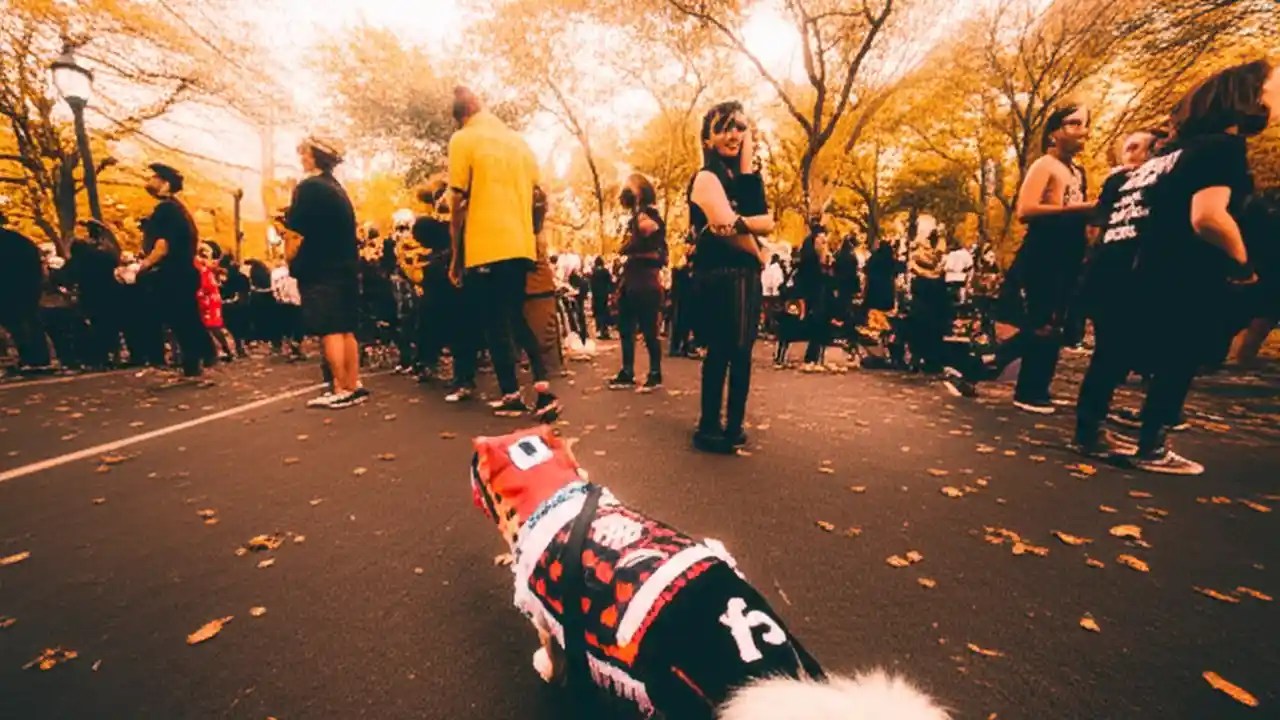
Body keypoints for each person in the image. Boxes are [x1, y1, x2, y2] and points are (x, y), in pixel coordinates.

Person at [1071, 60, 1278, 474]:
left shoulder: (1165, 157)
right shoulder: (1223, 149)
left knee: (1110, 355)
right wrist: (1242, 264)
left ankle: (1089, 432)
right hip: (1171, 273)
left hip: (1117, 269)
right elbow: (1208, 217)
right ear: (1248, 97)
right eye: (1272, 87)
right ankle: (1151, 447)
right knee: (1180, 354)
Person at [445, 86, 561, 421]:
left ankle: (511, 392)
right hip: (520, 243)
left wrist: (456, 256)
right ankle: (541, 384)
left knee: (495, 320)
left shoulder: (463, 140)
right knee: (514, 315)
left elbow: (457, 202)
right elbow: (539, 196)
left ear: (460, 117)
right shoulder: (518, 143)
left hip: (486, 244)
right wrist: (534, 235)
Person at [996, 105, 1096, 414]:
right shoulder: (1044, 165)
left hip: (1070, 253)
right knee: (1040, 323)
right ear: (1054, 132)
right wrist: (1079, 210)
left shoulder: (1078, 172)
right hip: (1043, 252)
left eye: (1085, 124)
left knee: (1057, 322)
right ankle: (1000, 372)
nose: (1083, 131)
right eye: (1073, 124)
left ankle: (1038, 386)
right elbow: (1026, 210)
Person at [687, 100, 773, 453]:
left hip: (745, 276)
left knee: (742, 353)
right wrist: (759, 248)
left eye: (739, 127)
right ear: (707, 139)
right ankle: (709, 426)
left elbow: (762, 222)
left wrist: (744, 225)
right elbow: (732, 233)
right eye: (723, 128)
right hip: (720, 274)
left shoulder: (745, 179)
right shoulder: (707, 177)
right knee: (722, 350)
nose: (733, 134)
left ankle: (734, 425)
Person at [280, 135, 365, 409]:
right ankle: (354, 383)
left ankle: (340, 387)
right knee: (346, 329)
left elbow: (296, 233)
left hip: (319, 268)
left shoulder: (308, 188)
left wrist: (288, 258)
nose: (301, 158)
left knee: (329, 328)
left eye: (305, 153)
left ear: (316, 156)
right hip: (346, 267)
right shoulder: (336, 188)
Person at [135, 163, 214, 381]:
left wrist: (142, 266)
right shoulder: (180, 210)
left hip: (171, 273)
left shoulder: (166, 210)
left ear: (165, 183)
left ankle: (163, 361)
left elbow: (162, 245)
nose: (149, 181)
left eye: (154, 177)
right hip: (183, 272)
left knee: (158, 315)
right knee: (183, 317)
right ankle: (197, 360)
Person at [608, 173, 668, 391]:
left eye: (629, 186)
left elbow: (649, 228)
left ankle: (655, 373)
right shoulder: (633, 218)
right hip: (631, 279)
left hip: (646, 281)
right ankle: (627, 371)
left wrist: (640, 213)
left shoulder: (649, 214)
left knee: (649, 329)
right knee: (626, 326)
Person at [589, 256, 614, 340]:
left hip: (596, 295)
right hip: (604, 295)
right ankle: (605, 331)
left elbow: (591, 285)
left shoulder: (594, 272)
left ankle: (599, 331)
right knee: (605, 312)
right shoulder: (605, 271)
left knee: (598, 313)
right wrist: (610, 292)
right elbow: (610, 282)